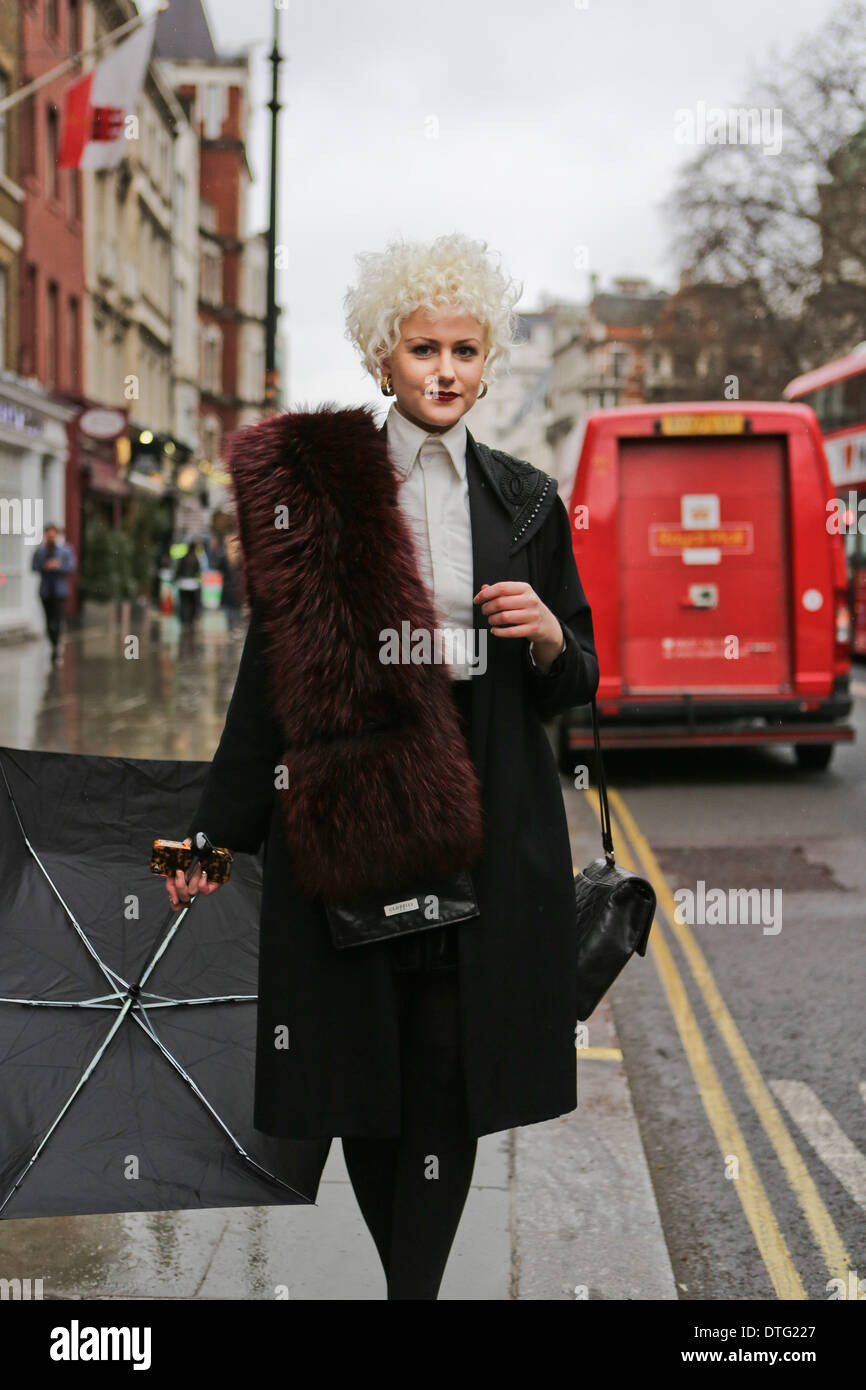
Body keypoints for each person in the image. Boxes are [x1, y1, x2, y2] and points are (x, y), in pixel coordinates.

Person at [164, 232, 599, 1299]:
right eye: (420, 350)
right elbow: (268, 674)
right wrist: (216, 831)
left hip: (488, 804)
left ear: (487, 360)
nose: (444, 371)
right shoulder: (318, 490)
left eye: (463, 349)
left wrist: (544, 632)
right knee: (366, 1069)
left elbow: (578, 676)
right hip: (358, 807)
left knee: (449, 1073)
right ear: (379, 358)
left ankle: (413, 1292)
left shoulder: (527, 501)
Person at [31, 523, 77, 663]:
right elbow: (34, 567)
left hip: (59, 591)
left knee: (57, 620)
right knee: (49, 621)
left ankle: (56, 647)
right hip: (45, 591)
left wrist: (59, 566)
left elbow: (71, 566)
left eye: (53, 535)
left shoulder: (65, 550)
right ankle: (53, 644)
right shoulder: (40, 551)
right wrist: (45, 566)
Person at [173, 540, 202, 625]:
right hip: (193, 584)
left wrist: (176, 578)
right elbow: (198, 572)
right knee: (192, 602)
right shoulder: (196, 559)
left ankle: (184, 619)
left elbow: (178, 570)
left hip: (183, 583)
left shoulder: (183, 559)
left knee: (183, 602)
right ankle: (190, 619)